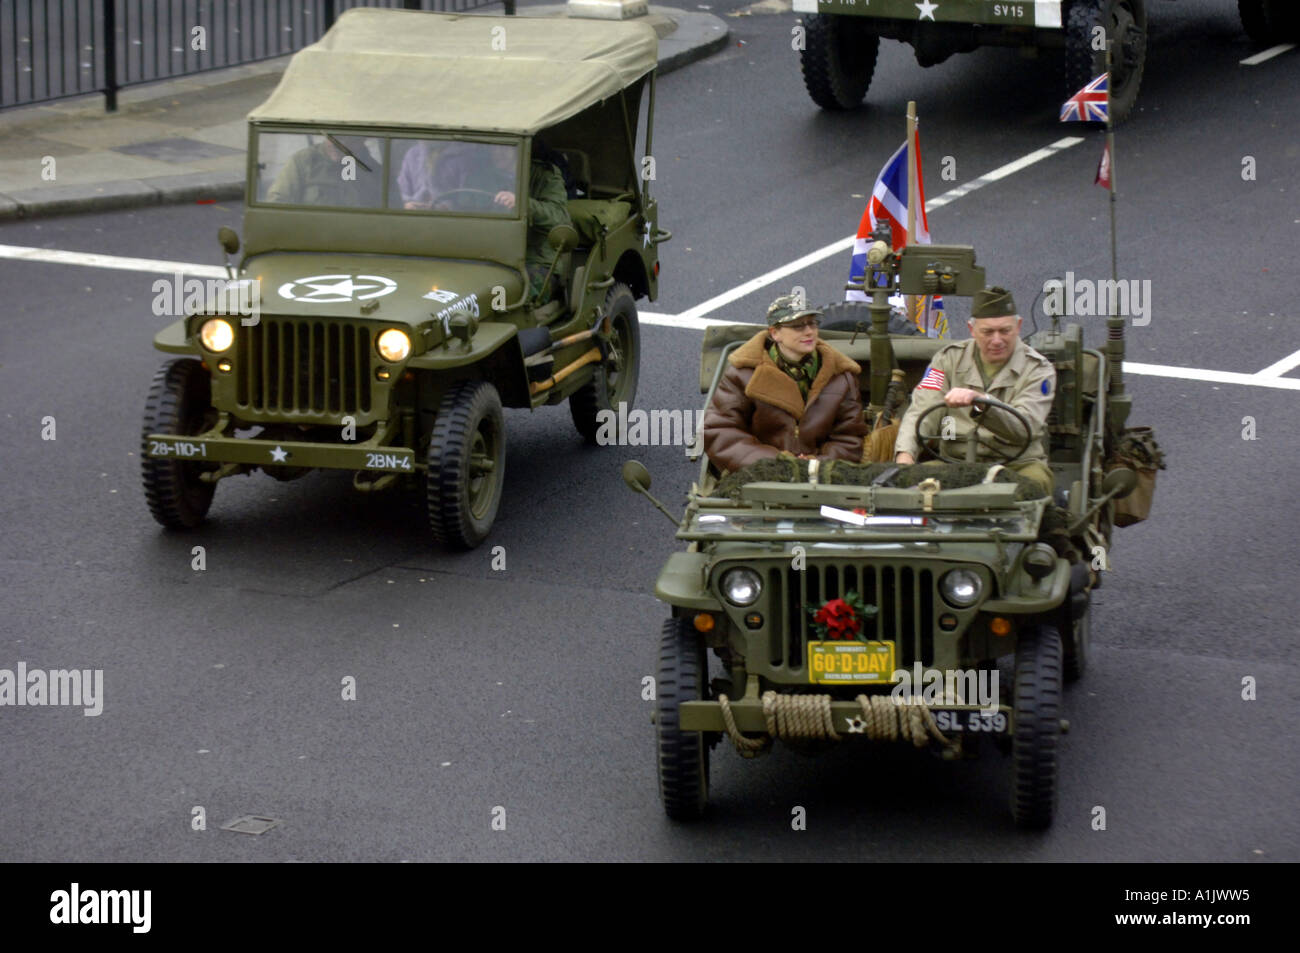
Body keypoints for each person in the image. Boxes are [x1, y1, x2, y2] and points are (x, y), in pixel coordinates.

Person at [893, 286, 1057, 494]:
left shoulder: (1038, 370)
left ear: (1018, 326)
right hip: (954, 463)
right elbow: (921, 409)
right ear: (972, 330)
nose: (997, 340)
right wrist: (905, 456)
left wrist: (982, 402)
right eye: (987, 332)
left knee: (1032, 490)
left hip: (1017, 464)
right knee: (909, 491)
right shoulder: (946, 360)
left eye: (1005, 331)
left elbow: (1024, 428)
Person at [702, 295, 868, 472]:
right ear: (775, 333)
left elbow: (850, 437)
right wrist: (777, 462)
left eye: (812, 323)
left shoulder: (840, 377)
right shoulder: (743, 374)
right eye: (798, 326)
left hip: (820, 476)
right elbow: (720, 430)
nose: (809, 331)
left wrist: (815, 464)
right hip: (760, 473)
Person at [465, 144, 571, 303]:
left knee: (503, 296)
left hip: (533, 258)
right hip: (485, 254)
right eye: (494, 147)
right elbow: (464, 205)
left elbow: (558, 217)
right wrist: (441, 207)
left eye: (505, 147)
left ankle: (514, 325)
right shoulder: (481, 175)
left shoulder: (544, 175)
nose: (498, 152)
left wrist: (522, 204)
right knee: (455, 289)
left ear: (520, 150)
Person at [266, 135, 381, 208]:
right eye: (335, 137)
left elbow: (391, 215)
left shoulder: (375, 172)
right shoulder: (303, 162)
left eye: (351, 138)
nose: (341, 145)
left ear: (362, 140)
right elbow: (276, 205)